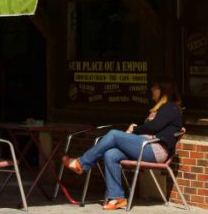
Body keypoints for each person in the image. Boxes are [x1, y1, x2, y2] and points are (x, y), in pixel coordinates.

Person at [61, 82, 183, 211]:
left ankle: (81, 163)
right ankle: (117, 198)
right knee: (111, 154)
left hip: (155, 149)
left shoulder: (171, 107)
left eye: (155, 88)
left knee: (114, 134)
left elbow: (154, 127)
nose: (152, 90)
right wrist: (135, 131)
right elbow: (151, 128)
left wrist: (134, 129)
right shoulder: (161, 108)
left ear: (162, 91)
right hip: (144, 146)